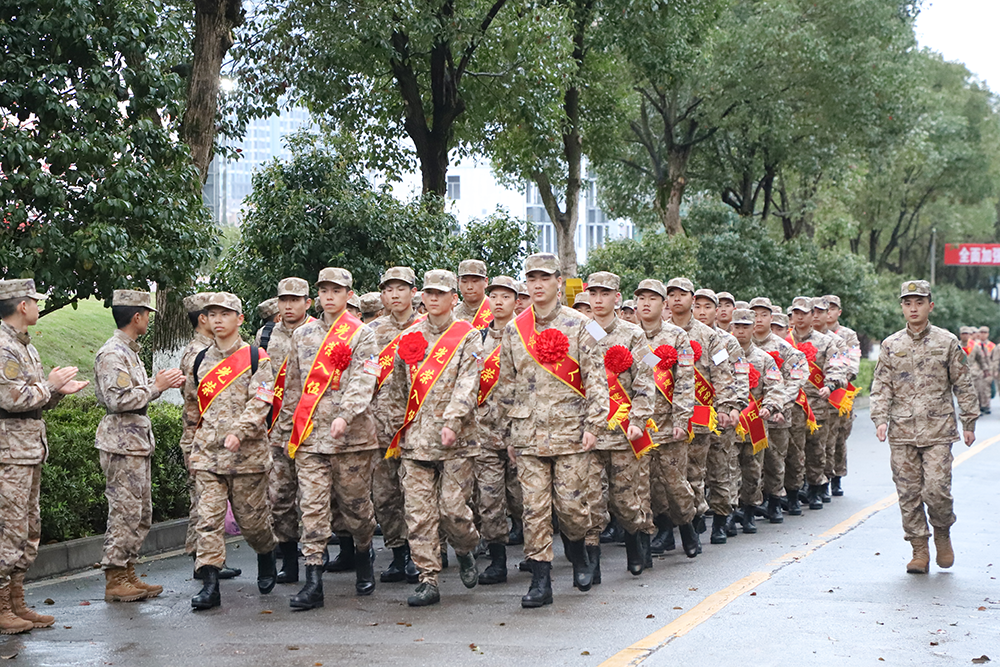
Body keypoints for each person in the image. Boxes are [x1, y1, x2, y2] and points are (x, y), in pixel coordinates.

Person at [496, 253, 609, 608]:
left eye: (544, 278)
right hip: (528, 434)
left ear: (558, 281)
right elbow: (505, 385)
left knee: (573, 510)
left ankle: (579, 552)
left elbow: (597, 380)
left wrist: (595, 424)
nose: (538, 285)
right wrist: (508, 435)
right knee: (534, 509)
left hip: (572, 432)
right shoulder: (514, 330)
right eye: (532, 279)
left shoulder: (582, 324)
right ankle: (541, 581)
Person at [280, 268, 380, 610]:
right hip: (310, 439)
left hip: (351, 439)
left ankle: (365, 553)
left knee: (356, 508)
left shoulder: (363, 334)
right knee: (312, 507)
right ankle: (313, 581)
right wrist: (285, 431)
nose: (329, 296)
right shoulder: (303, 336)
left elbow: (365, 380)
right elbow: (292, 388)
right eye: (324, 290)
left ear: (349, 294)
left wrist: (345, 414)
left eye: (336, 290)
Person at [383, 270, 484, 606]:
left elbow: (469, 383)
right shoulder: (409, 337)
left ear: (453, 298)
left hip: (457, 441)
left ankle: (467, 548)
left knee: (453, 511)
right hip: (416, 442)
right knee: (419, 514)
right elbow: (396, 389)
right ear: (421, 297)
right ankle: (428, 578)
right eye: (429, 293)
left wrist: (453, 420)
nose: (434, 299)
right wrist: (393, 426)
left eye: (441, 294)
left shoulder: (468, 336)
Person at [871, 280, 978, 573]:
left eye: (919, 302)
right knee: (907, 493)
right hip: (902, 432)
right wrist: (880, 418)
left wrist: (968, 420)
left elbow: (963, 383)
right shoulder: (891, 345)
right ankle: (919, 549)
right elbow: (881, 385)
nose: (913, 308)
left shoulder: (947, 342)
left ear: (930, 306)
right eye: (908, 303)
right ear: (902, 307)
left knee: (936, 490)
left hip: (938, 430)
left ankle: (942, 532)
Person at [0, 279, 88, 634]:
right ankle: (2, 604)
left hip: (28, 449)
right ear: (23, 306)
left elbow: (33, 399)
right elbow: (12, 400)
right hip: (8, 452)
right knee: (9, 529)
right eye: (35, 301)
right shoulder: (4, 347)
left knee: (28, 529)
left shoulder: (26, 347)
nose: (38, 306)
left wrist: (56, 393)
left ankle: (17, 600)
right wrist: (49, 385)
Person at [187, 292, 279, 610]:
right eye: (212, 314)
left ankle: (266, 554)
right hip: (208, 456)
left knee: (253, 523)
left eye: (225, 314)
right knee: (207, 520)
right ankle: (210, 584)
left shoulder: (256, 357)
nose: (217, 320)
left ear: (239, 319)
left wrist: (240, 432)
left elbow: (262, 401)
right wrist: (190, 446)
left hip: (247, 457)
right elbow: (191, 409)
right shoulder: (199, 360)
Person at [94, 290, 185, 603]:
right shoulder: (113, 354)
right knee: (124, 510)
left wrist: (153, 387)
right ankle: (115, 576)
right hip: (121, 443)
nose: (148, 318)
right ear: (137, 317)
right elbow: (117, 399)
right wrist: (156, 387)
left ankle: (128, 570)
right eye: (146, 313)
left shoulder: (129, 352)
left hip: (134, 440)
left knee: (139, 511)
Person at [583, 272, 652, 577]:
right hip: (589, 432)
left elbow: (647, 377)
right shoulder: (579, 332)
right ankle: (591, 557)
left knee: (625, 499)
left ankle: (636, 541)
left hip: (624, 431)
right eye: (593, 293)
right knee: (591, 499)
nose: (598, 299)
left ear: (617, 297)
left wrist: (638, 418)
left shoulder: (635, 334)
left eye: (604, 293)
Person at [628, 279, 699, 558]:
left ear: (664, 304)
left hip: (669, 423)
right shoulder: (630, 335)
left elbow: (685, 381)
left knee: (674, 484)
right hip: (638, 424)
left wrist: (682, 420)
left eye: (653, 298)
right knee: (642, 487)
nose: (646, 303)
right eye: (641, 298)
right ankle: (647, 543)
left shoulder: (677, 337)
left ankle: (687, 527)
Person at [666, 278, 738, 539]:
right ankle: (680, 522)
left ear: (691, 300)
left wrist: (727, 406)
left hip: (704, 412)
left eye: (682, 294)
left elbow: (723, 373)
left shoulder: (711, 338)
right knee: (674, 473)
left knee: (710, 470)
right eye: (671, 294)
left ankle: (717, 518)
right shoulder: (660, 333)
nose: (676, 299)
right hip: (668, 414)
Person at [179, 292, 242, 581]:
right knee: (204, 504)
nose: (219, 319)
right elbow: (196, 402)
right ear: (203, 319)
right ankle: (203, 561)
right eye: (213, 314)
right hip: (202, 438)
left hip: (214, 439)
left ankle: (205, 559)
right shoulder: (199, 354)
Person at [369, 267, 422, 585]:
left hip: (417, 426)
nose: (395, 295)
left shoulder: (431, 330)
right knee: (386, 496)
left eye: (401, 288)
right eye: (388, 289)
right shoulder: (370, 332)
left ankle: (422, 555)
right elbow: (364, 377)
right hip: (381, 426)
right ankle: (398, 554)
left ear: (414, 291)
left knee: (417, 495)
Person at [263, 278, 317, 585]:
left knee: (317, 498)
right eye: (284, 300)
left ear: (307, 303)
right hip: (278, 429)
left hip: (311, 429)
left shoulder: (320, 334)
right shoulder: (267, 335)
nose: (288, 306)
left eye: (295, 300)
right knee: (280, 497)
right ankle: (290, 561)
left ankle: (325, 558)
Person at [475, 275, 522, 585]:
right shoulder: (477, 339)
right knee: (489, 501)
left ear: (516, 301)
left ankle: (536, 554)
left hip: (522, 432)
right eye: (494, 296)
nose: (499, 301)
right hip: (485, 433)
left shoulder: (526, 335)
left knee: (525, 500)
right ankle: (498, 560)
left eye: (506, 296)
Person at [786, 297, 847, 511]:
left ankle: (815, 487)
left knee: (816, 449)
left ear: (813, 315)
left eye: (805, 313)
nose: (800, 317)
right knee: (793, 451)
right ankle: (793, 492)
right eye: (796, 313)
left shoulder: (826, 342)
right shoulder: (784, 342)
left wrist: (830, 385)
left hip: (817, 403)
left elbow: (837, 367)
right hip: (791, 404)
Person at [748, 298, 806, 522]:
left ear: (772, 318)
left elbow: (797, 377)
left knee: (775, 459)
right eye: (755, 315)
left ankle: (775, 500)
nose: (759, 319)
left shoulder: (784, 348)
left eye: (764, 315)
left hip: (777, 414)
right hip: (750, 415)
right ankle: (750, 505)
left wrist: (780, 403)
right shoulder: (739, 344)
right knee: (751, 462)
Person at [729, 308, 785, 535]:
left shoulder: (765, 359)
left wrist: (770, 406)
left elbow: (775, 387)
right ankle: (730, 515)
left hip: (755, 424)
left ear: (754, 328)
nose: (741, 331)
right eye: (737, 326)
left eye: (745, 326)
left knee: (752, 471)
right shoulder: (722, 355)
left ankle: (750, 512)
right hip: (730, 425)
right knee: (729, 472)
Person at [824, 295, 861, 497]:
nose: (828, 312)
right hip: (817, 392)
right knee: (821, 439)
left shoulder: (848, 335)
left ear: (839, 311)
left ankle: (837, 477)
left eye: (832, 308)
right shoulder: (812, 333)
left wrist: (838, 378)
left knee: (838, 437)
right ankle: (821, 477)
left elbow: (853, 362)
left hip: (840, 392)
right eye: (824, 308)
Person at [454, 259, 493, 329]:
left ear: (486, 282)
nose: (469, 287)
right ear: (458, 282)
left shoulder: (499, 311)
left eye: (475, 281)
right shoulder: (452, 316)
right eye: (464, 281)